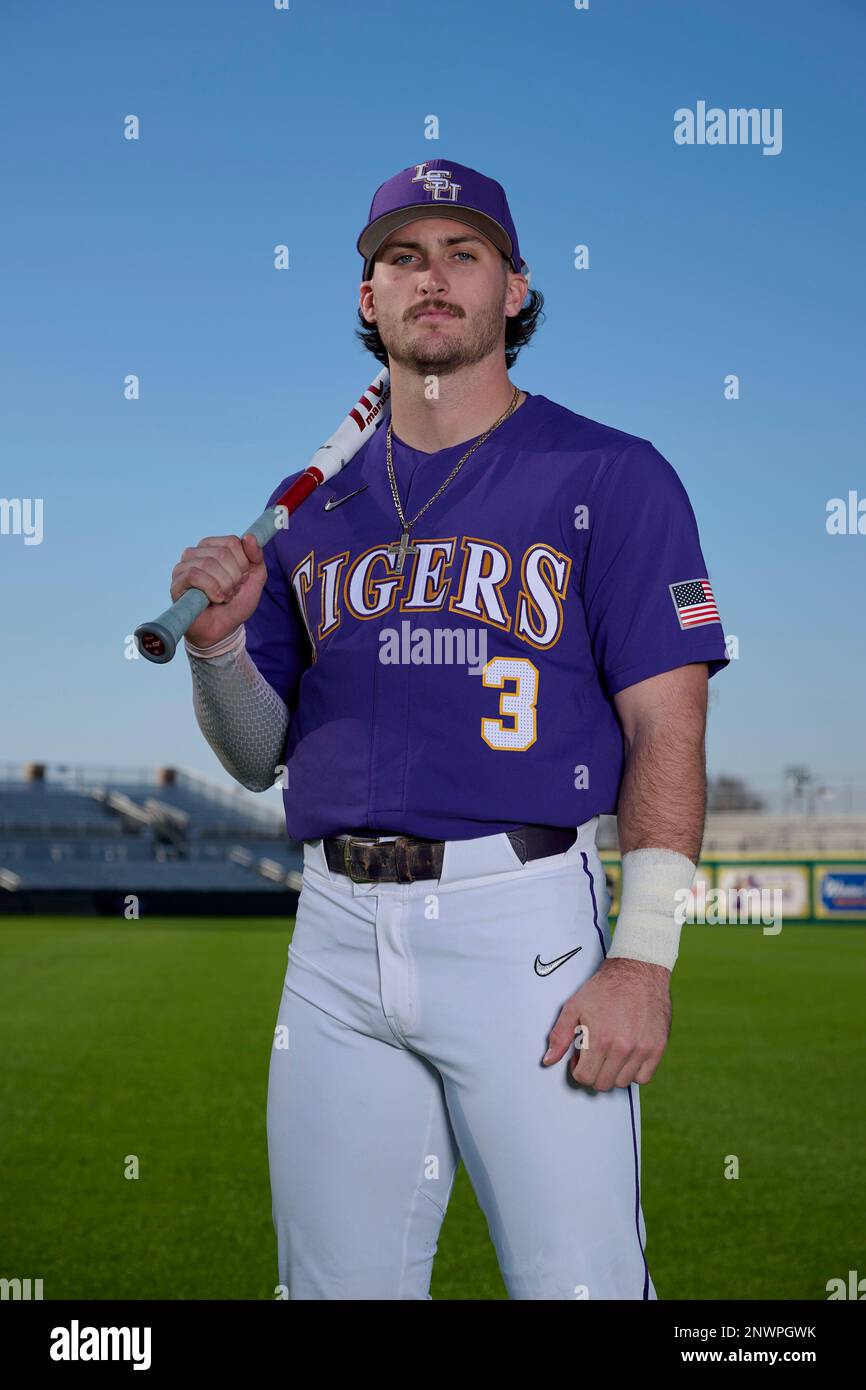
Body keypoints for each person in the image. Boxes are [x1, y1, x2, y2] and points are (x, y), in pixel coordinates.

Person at [173, 159, 730, 1300]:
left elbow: (666, 723)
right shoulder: (309, 511)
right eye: (401, 257)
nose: (431, 277)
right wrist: (219, 646)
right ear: (366, 299)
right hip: (330, 935)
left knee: (580, 1288)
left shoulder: (610, 472)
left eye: (461, 254)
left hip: (521, 928)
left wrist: (645, 954)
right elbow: (250, 751)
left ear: (514, 291)